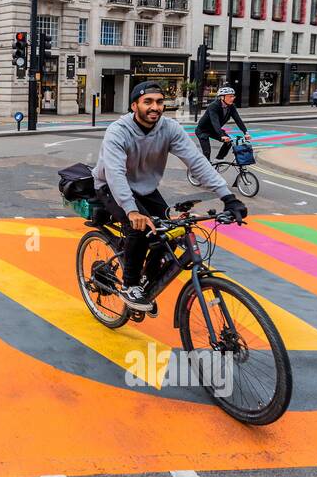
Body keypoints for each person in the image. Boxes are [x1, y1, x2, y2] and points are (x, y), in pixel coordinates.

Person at [92, 82, 247, 312]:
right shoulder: (118, 131)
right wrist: (131, 210)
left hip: (145, 188)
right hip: (111, 186)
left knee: (171, 233)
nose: (155, 107)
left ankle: (146, 283)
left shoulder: (169, 128)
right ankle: (130, 285)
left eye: (159, 102)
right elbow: (115, 173)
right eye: (148, 102)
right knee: (139, 228)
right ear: (134, 106)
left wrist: (228, 197)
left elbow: (196, 162)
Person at [195, 86, 250, 161]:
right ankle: (206, 166)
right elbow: (215, 121)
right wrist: (221, 135)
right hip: (203, 130)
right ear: (222, 97)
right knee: (207, 152)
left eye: (233, 96)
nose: (232, 98)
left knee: (229, 141)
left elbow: (238, 120)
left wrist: (245, 132)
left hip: (214, 130)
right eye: (230, 96)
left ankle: (219, 159)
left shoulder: (231, 106)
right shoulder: (213, 106)